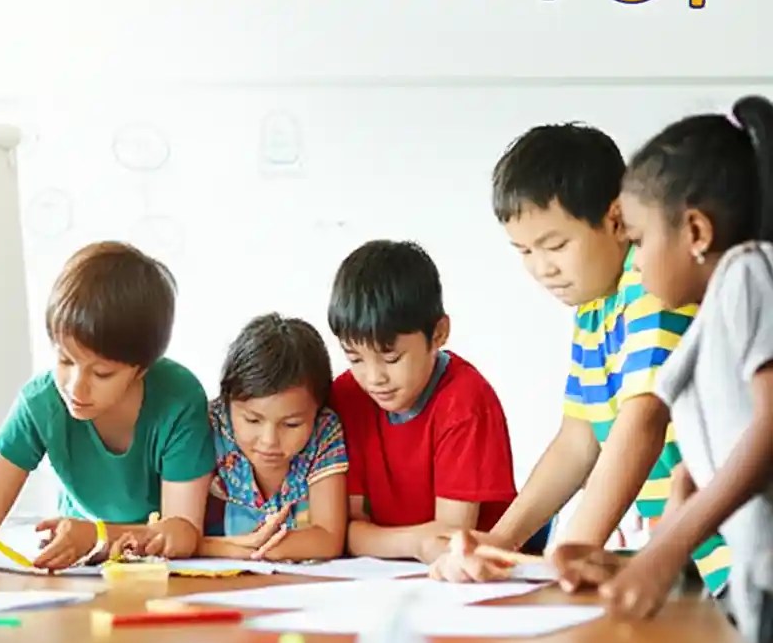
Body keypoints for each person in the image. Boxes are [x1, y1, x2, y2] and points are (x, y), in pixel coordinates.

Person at [432, 124, 729, 594]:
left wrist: (573, 550)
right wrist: (503, 540)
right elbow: (578, 439)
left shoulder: (653, 282)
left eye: (555, 246)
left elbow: (643, 419)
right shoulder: (593, 310)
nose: (541, 268)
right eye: (524, 251)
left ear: (616, 221)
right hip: (684, 554)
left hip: (729, 553)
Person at [554, 95, 773, 643]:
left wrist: (667, 551)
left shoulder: (750, 273)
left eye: (640, 239)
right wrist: (645, 552)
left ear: (696, 230)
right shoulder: (714, 306)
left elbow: (769, 431)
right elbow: (696, 471)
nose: (636, 260)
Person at [0, 242, 214, 572]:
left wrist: (98, 536)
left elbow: (181, 533)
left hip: (158, 579)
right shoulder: (40, 402)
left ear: (141, 368)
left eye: (102, 373)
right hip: (81, 571)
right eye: (65, 360)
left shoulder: (178, 400)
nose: (75, 386)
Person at [328, 240, 516, 563]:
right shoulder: (347, 396)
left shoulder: (465, 403)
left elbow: (450, 539)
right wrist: (417, 543)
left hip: (473, 577)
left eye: (391, 357)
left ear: (439, 333)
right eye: (355, 358)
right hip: (383, 578)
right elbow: (345, 531)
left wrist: (385, 540)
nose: (374, 378)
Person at [199, 313, 348, 561]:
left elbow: (329, 538)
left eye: (291, 424)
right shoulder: (210, 425)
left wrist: (248, 548)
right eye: (253, 420)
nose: (269, 440)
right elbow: (179, 530)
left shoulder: (324, 432)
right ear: (227, 401)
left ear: (317, 410)